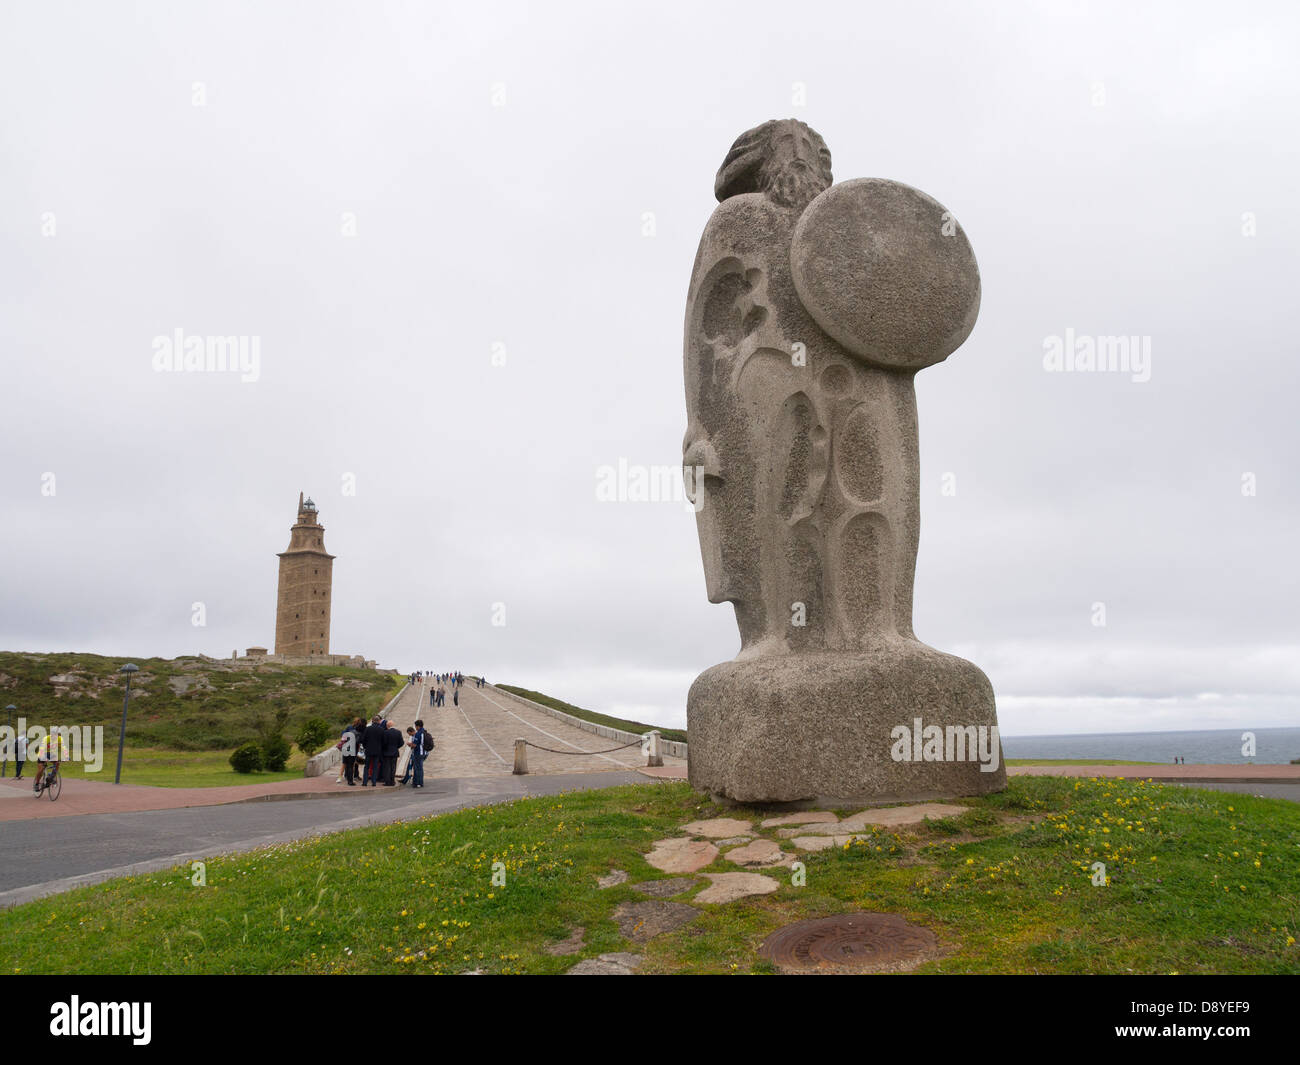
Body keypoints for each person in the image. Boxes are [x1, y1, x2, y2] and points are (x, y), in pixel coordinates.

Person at [362, 715, 387, 786]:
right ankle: (374, 782)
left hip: (368, 750)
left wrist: (365, 747)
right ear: (379, 721)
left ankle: (365, 782)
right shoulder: (382, 730)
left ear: (372, 721)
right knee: (375, 767)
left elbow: (363, 740)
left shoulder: (367, 729)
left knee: (366, 766)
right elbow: (384, 742)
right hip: (377, 751)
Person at [382, 718, 403, 786]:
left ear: (387, 726)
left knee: (387, 767)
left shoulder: (385, 732)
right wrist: (396, 747)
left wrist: (385, 749)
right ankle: (392, 781)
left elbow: (384, 743)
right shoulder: (398, 732)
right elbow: (401, 743)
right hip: (395, 752)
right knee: (393, 767)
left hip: (387, 752)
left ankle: (387, 782)